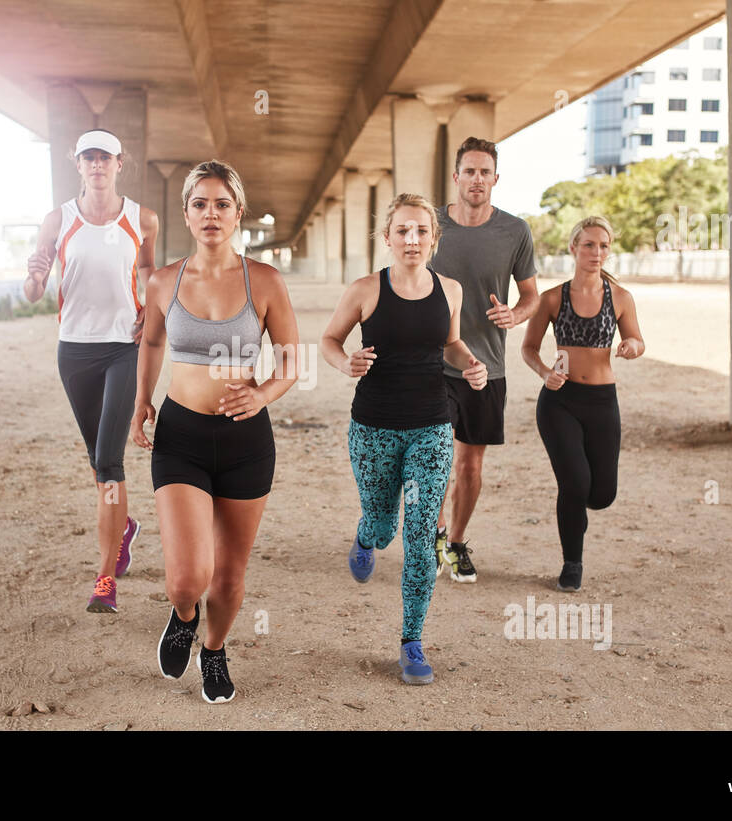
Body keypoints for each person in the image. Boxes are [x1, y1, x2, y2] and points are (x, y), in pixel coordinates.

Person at [131, 160, 299, 704]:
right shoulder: (163, 281)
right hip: (181, 435)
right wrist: (142, 402)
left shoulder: (265, 281)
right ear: (186, 212)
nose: (211, 213)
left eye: (222, 204)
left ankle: (215, 649)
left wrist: (263, 393)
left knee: (227, 578)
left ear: (238, 214)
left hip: (246, 442)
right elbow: (153, 343)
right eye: (200, 203)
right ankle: (183, 615)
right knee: (187, 579)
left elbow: (291, 360)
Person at [320, 193, 488, 685]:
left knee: (419, 536)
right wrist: (344, 362)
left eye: (421, 231)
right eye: (402, 231)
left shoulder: (450, 290)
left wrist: (471, 363)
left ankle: (411, 641)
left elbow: (451, 343)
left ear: (433, 239)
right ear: (387, 237)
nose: (411, 240)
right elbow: (330, 340)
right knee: (383, 526)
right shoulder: (365, 290)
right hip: (373, 427)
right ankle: (366, 534)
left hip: (432, 427)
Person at [25, 129, 158, 614]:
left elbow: (147, 270)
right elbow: (33, 292)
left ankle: (105, 580)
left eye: (105, 157)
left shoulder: (142, 217)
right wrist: (35, 276)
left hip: (123, 348)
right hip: (74, 352)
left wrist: (150, 307)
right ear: (76, 164)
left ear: (120, 162)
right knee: (96, 461)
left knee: (109, 462)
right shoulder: (57, 219)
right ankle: (123, 528)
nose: (97, 164)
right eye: (88, 158)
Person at [429, 137, 539, 583]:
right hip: (430, 366)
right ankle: (430, 540)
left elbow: (532, 295)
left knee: (469, 464)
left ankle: (455, 543)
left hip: (484, 367)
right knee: (432, 460)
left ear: (495, 179)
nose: (477, 179)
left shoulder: (515, 231)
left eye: (485, 172)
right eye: (469, 171)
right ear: (456, 178)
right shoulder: (429, 225)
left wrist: (515, 313)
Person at [520, 216, 644, 591]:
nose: (596, 252)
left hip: (603, 401)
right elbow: (528, 348)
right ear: (573, 248)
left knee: (601, 494)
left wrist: (631, 347)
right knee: (574, 483)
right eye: (588, 244)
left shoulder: (620, 298)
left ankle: (581, 504)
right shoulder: (553, 298)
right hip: (560, 401)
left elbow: (638, 340)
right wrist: (545, 373)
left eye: (603, 245)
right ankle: (572, 563)